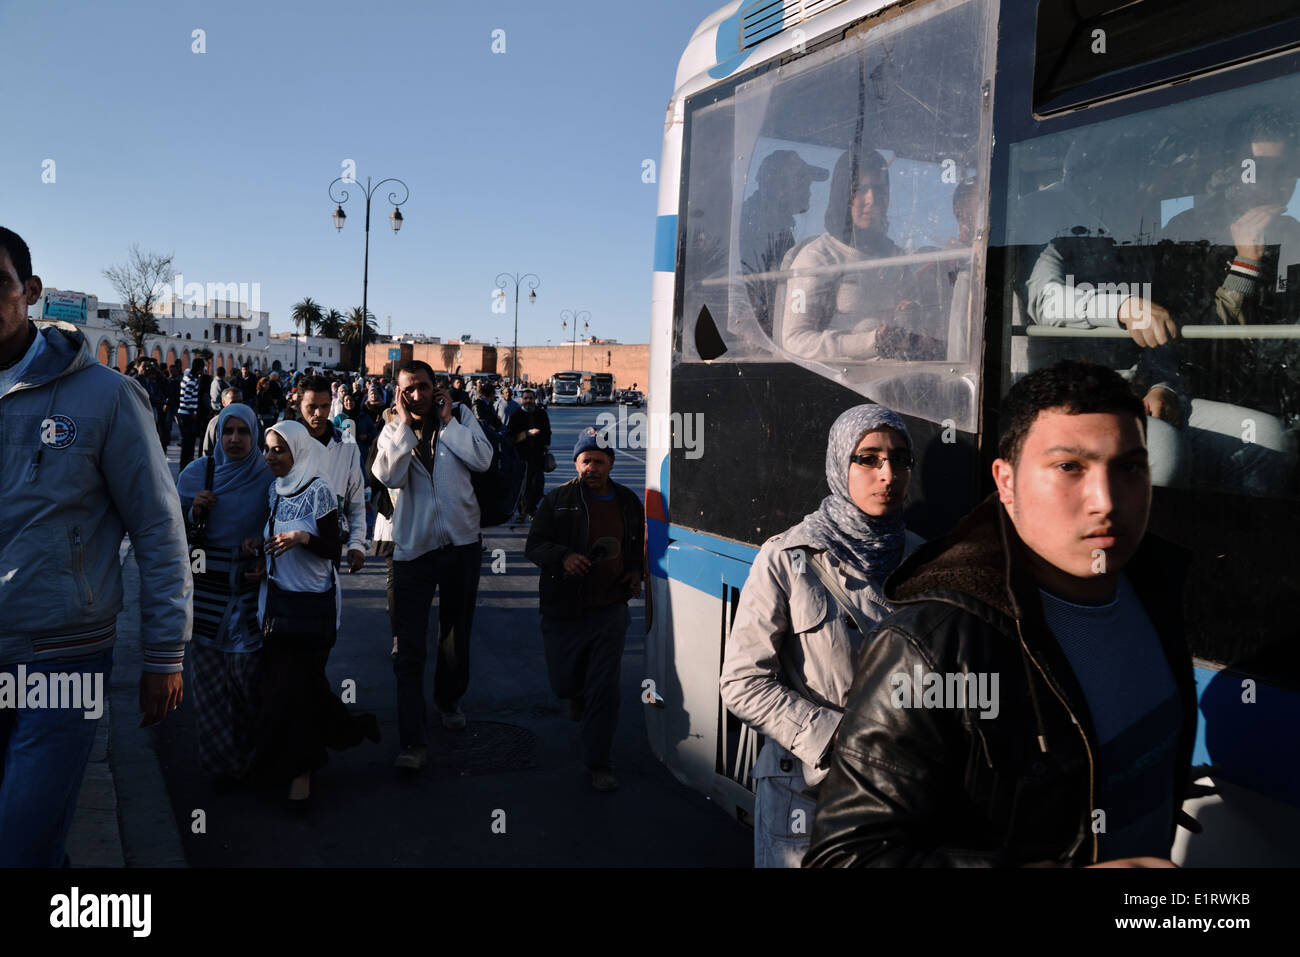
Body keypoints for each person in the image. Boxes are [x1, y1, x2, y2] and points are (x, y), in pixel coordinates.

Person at [805, 360, 1198, 867]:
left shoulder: (1154, 587)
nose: (1105, 501)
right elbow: (844, 858)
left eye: (1129, 467)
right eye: (1069, 467)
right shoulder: (935, 643)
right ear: (1005, 483)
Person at [0, 226, 189, 866]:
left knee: (23, 843)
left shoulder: (104, 396)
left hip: (61, 656)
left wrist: (163, 652)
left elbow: (160, 527)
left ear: (30, 292)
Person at [720, 404, 924, 866]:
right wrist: (836, 738)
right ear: (839, 464)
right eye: (867, 458)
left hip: (901, 797)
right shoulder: (787, 557)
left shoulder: (925, 561)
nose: (887, 474)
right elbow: (741, 683)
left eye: (899, 458)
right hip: (807, 795)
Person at [371, 360, 493, 770]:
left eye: (424, 387)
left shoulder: (459, 417)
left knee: (455, 635)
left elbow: (483, 460)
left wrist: (449, 423)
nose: (418, 396)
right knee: (408, 649)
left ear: (436, 386)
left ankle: (448, 699)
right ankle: (413, 741)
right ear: (398, 393)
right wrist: (403, 427)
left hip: (462, 545)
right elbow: (388, 475)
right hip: (412, 552)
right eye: (409, 390)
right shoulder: (391, 429)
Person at [251, 420, 380, 809]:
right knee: (290, 689)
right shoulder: (274, 489)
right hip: (278, 604)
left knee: (298, 690)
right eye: (269, 449)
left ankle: (302, 774)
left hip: (313, 609)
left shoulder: (319, 490)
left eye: (280, 450)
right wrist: (260, 552)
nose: (271, 456)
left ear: (299, 451)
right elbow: (275, 538)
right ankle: (347, 729)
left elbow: (332, 551)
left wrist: (302, 538)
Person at [524, 427, 645, 792]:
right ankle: (574, 696)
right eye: (585, 460)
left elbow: (636, 544)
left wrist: (635, 573)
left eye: (598, 461)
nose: (591, 467)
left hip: (610, 610)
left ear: (610, 465)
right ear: (576, 463)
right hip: (564, 610)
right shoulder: (557, 501)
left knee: (604, 689)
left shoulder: (627, 502)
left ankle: (599, 763)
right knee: (564, 682)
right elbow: (535, 546)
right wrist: (563, 557)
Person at [176, 403, 273, 784]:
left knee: (249, 679)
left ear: (255, 434)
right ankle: (220, 765)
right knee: (210, 685)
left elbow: (283, 522)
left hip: (250, 592)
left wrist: (265, 550)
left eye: (243, 432)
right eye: (227, 431)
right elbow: (165, 531)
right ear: (217, 434)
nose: (234, 439)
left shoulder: (268, 476)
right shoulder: (197, 474)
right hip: (208, 595)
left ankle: (254, 756)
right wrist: (192, 512)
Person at [781, 147, 937, 362]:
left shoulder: (895, 257)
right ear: (841, 194)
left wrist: (911, 314)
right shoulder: (818, 257)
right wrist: (870, 343)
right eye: (860, 189)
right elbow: (795, 340)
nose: (871, 199)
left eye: (879, 190)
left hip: (901, 378)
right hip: (844, 384)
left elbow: (914, 318)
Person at [740, 149, 829, 333]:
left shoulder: (777, 225)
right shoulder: (752, 225)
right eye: (802, 182)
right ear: (777, 186)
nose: (809, 191)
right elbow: (746, 287)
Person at [297, 376, 367, 575]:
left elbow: (356, 499)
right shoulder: (283, 442)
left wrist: (357, 543)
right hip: (287, 545)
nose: (319, 413)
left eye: (325, 406)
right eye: (311, 407)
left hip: (329, 544)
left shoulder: (346, 443)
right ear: (298, 404)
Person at [505, 387, 552, 520]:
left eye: (531, 398)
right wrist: (527, 434)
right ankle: (524, 511)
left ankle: (531, 508)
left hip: (537, 456)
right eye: (526, 398)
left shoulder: (541, 414)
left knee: (537, 485)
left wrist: (547, 444)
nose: (528, 401)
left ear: (535, 399)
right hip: (521, 457)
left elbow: (548, 431)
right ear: (521, 400)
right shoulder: (516, 415)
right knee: (523, 486)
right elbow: (510, 437)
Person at [201, 386, 244, 457]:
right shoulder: (215, 423)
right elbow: (208, 451)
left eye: (240, 402)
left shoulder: (250, 421)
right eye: (233, 402)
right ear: (224, 403)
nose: (237, 406)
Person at [178, 357, 204, 469]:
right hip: (187, 414)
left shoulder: (186, 377)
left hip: (184, 412)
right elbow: (187, 398)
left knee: (187, 441)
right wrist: (193, 412)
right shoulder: (191, 380)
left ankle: (185, 464)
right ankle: (186, 464)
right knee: (189, 442)